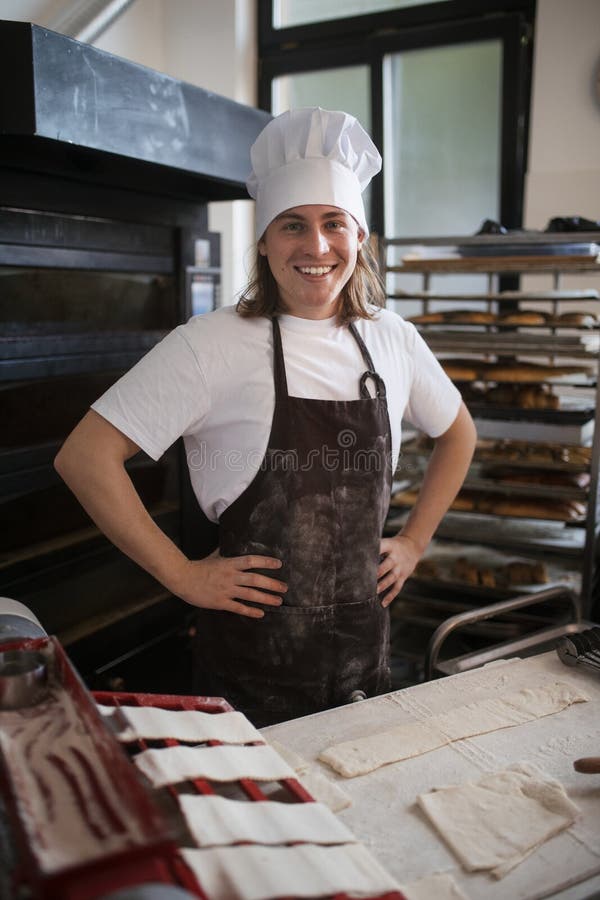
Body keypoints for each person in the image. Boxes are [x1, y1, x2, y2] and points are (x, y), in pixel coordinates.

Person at [55, 107, 476, 726]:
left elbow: (458, 433)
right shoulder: (213, 343)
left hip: (366, 663)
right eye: (292, 226)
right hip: (252, 677)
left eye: (335, 223)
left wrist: (414, 542)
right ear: (264, 241)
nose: (316, 246)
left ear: (360, 238)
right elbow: (85, 457)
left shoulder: (393, 339)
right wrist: (182, 576)